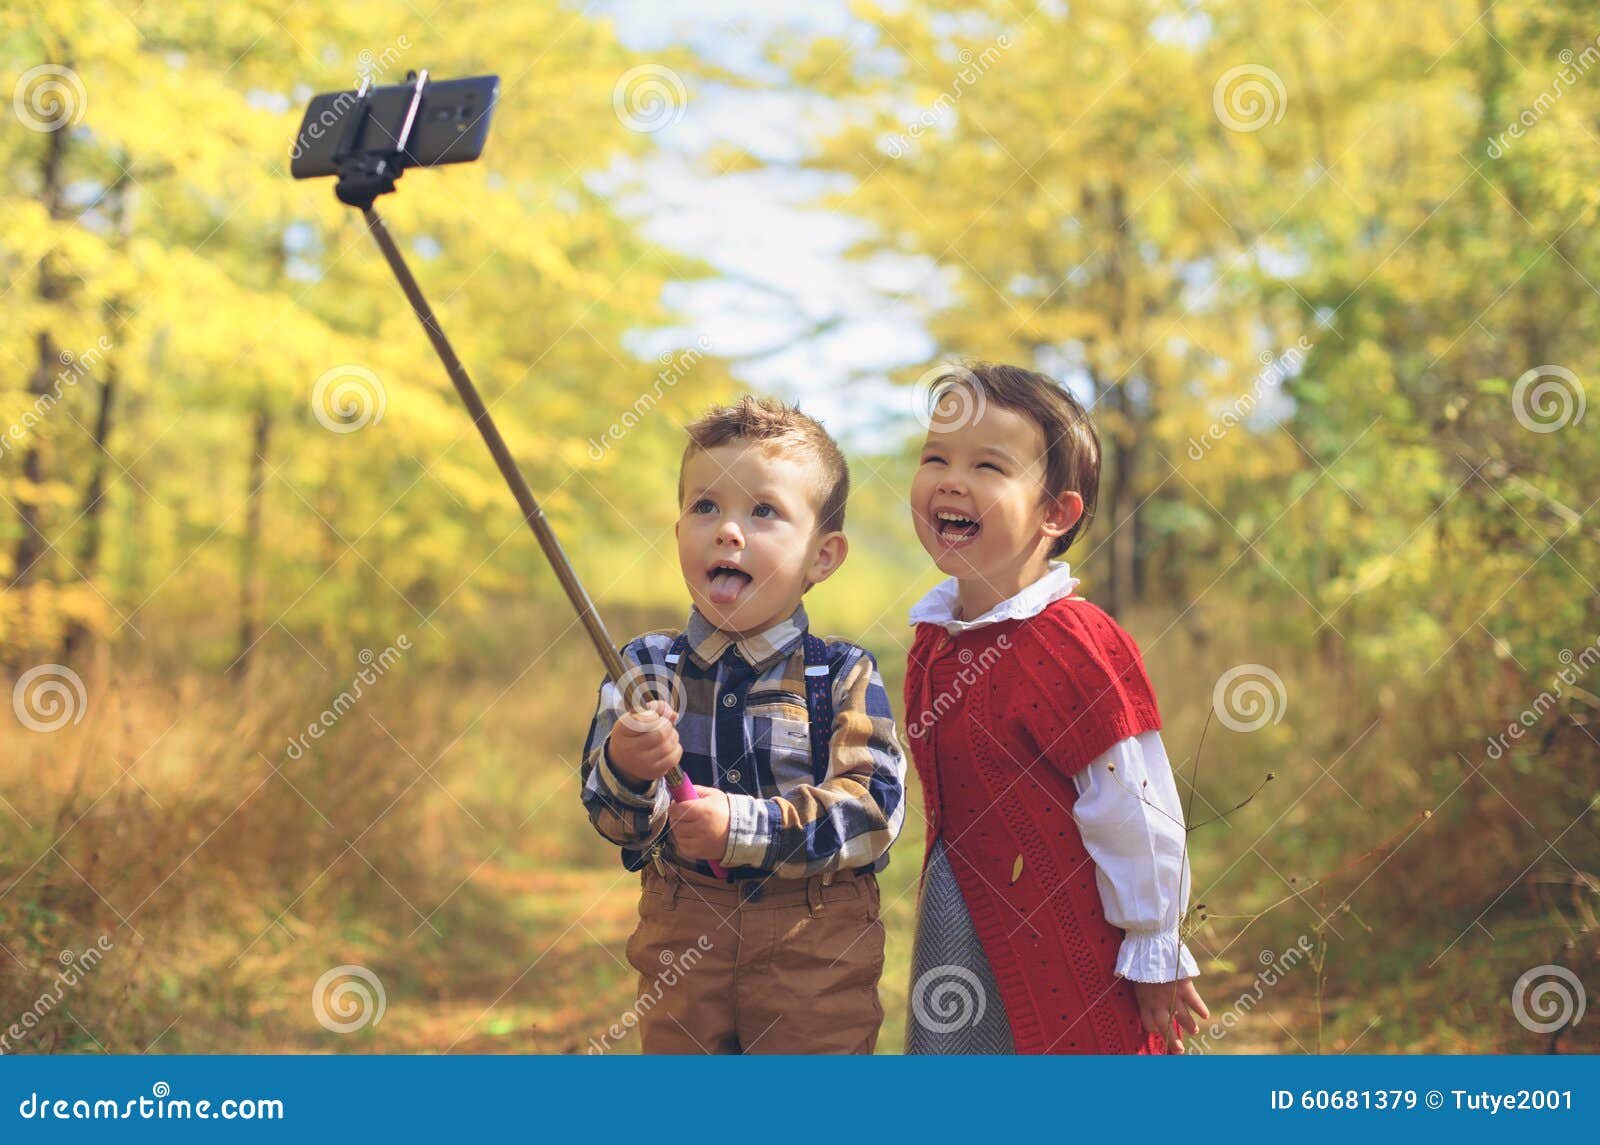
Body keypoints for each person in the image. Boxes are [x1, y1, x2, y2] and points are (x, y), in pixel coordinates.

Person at [580, 395, 906, 1054]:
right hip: (683, 933)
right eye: (705, 506)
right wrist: (626, 767)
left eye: (763, 511)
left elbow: (873, 810)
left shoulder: (842, 672)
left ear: (822, 556)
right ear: (678, 533)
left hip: (813, 948)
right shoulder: (645, 668)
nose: (728, 530)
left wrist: (743, 826)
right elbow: (614, 820)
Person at [902, 361, 1209, 1054]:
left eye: (987, 465)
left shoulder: (1071, 643)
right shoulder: (935, 640)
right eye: (935, 458)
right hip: (961, 919)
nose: (950, 480)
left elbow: (1134, 805)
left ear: (1055, 513)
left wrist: (1154, 940)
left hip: (1065, 941)